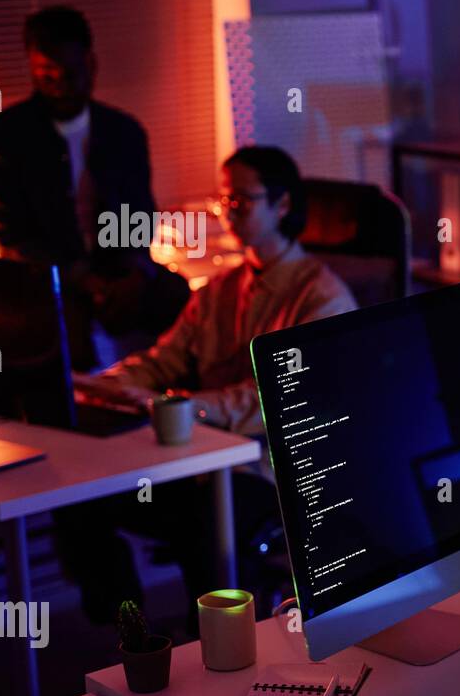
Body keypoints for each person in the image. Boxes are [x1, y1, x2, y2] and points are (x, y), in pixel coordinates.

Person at [55, 146, 357, 627]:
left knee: (202, 525)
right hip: (197, 457)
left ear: (282, 205)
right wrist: (106, 386)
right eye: (223, 200)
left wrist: (186, 406)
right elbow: (164, 360)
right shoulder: (221, 289)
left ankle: (225, 645)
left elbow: (278, 398)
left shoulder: (323, 297)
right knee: (78, 497)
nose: (229, 212)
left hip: (267, 471)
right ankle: (129, 633)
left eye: (241, 201)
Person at [0, 5, 188, 369]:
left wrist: (135, 271)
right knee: (63, 327)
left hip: (114, 269)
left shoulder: (124, 132)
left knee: (178, 297)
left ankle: (179, 407)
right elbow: (9, 238)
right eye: (47, 77)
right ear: (33, 70)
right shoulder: (4, 140)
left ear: (91, 64)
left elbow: (137, 214)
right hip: (44, 279)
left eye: (70, 74)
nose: (60, 87)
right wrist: (83, 281)